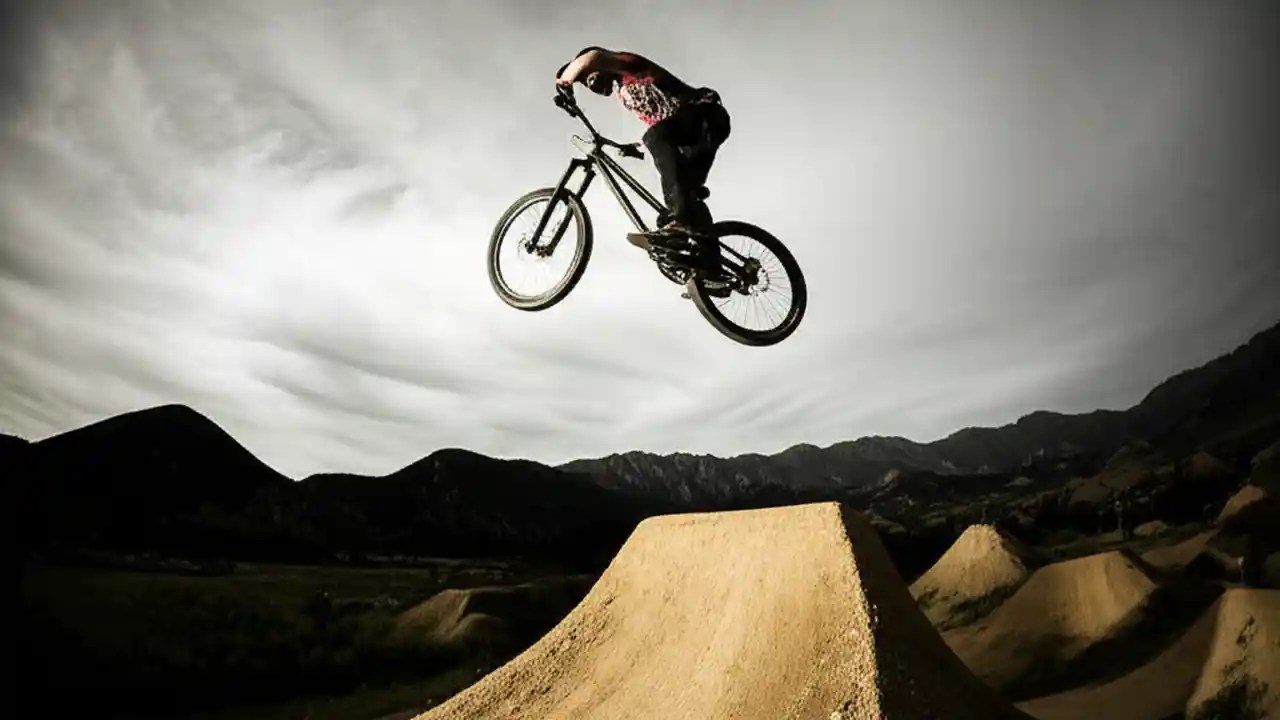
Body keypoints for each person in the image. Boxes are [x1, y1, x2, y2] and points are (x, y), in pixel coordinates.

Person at [555, 47, 730, 269]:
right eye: (588, 86)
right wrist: (631, 148)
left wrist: (565, 81)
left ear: (601, 68)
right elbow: (662, 127)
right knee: (688, 195)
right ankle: (711, 267)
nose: (593, 88)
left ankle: (680, 225)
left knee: (678, 205)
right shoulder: (624, 93)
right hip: (696, 134)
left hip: (705, 114)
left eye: (590, 79)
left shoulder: (627, 65)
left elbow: (593, 57)